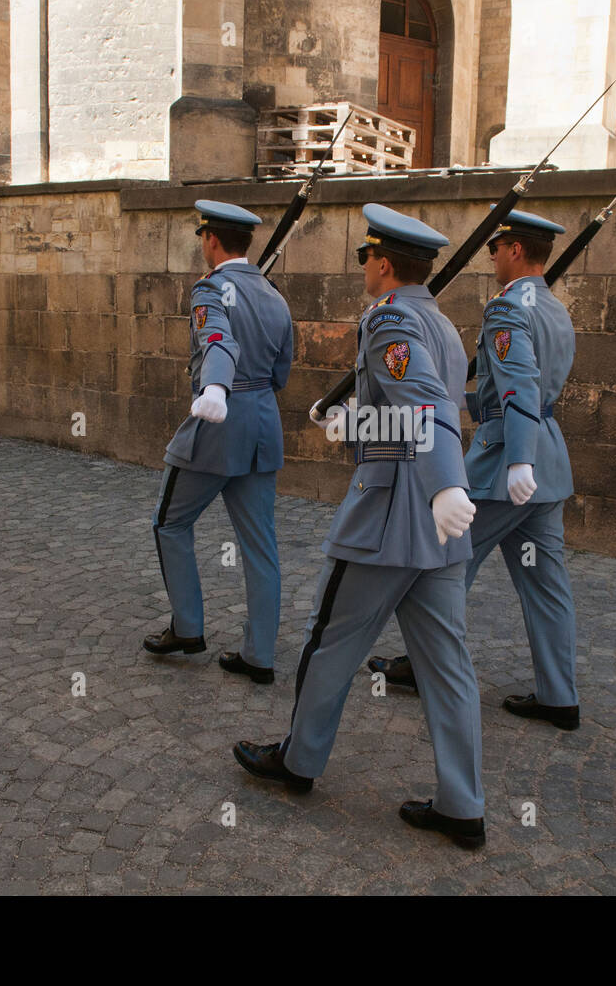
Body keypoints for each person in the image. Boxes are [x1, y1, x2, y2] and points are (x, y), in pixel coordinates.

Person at [232, 204, 487, 849]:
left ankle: (298, 760)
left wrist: (447, 484)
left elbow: (426, 408)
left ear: (381, 264)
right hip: (439, 528)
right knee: (448, 666)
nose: (364, 270)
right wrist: (362, 422)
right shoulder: (446, 327)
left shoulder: (392, 320)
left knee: (330, 643)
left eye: (365, 260)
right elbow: (419, 411)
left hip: (392, 514)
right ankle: (463, 804)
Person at [369, 210, 581, 730]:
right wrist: (460, 402)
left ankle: (426, 668)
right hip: (546, 462)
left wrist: (518, 458)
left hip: (506, 463)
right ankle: (560, 696)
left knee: (440, 565)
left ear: (513, 250)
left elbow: (519, 387)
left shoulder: (507, 308)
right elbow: (515, 391)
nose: (490, 256)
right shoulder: (553, 307)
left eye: (495, 247)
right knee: (546, 584)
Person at [143, 200, 293, 685]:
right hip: (263, 424)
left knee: (170, 522)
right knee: (260, 546)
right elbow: (281, 372)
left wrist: (215, 388)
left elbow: (218, 342)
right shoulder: (274, 295)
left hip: (219, 420)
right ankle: (260, 655)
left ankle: (188, 627)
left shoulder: (209, 290)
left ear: (210, 241)